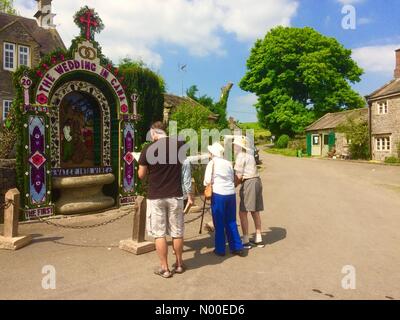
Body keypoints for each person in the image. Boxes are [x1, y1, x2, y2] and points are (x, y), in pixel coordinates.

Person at [138, 121, 192, 278]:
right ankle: (180, 264)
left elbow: (141, 175)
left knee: (159, 233)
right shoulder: (180, 144)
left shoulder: (147, 149)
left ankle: (165, 268)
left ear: (154, 133)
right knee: (177, 232)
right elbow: (185, 166)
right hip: (175, 194)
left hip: (156, 196)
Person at [203, 142, 245, 257]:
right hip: (230, 194)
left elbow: (207, 181)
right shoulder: (228, 163)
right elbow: (232, 178)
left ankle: (220, 249)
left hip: (218, 194)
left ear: (212, 153)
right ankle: (237, 246)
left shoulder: (212, 163)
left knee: (219, 221)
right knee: (231, 220)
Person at [233, 136, 265, 249]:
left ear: (238, 146)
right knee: (255, 211)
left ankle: (246, 240)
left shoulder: (240, 156)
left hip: (249, 182)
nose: (233, 147)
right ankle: (258, 237)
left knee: (243, 211)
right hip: (257, 180)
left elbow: (238, 176)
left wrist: (233, 185)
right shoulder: (249, 155)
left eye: (234, 145)